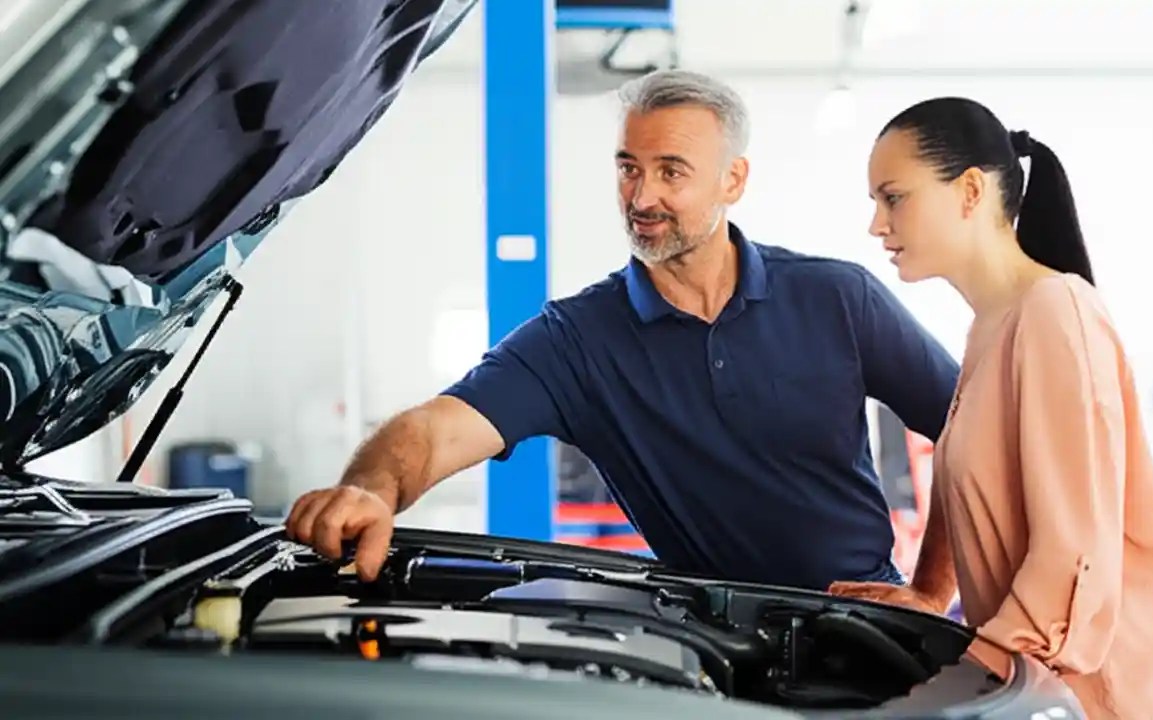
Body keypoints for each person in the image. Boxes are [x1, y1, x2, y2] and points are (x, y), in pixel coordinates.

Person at [283, 69, 961, 598]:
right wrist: (371, 489)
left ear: (734, 179)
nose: (640, 199)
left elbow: (975, 430)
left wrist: (932, 588)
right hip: (710, 647)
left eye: (671, 171)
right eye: (628, 168)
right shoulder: (576, 341)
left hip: (865, 623)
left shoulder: (837, 298)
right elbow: (437, 428)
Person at [829, 96, 1153, 718]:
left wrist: (967, 677)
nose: (877, 224)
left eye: (893, 198)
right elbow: (969, 481)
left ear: (971, 191)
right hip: (1035, 683)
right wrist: (930, 592)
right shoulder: (992, 326)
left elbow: (1073, 552)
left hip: (1105, 694)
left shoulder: (1056, 313)